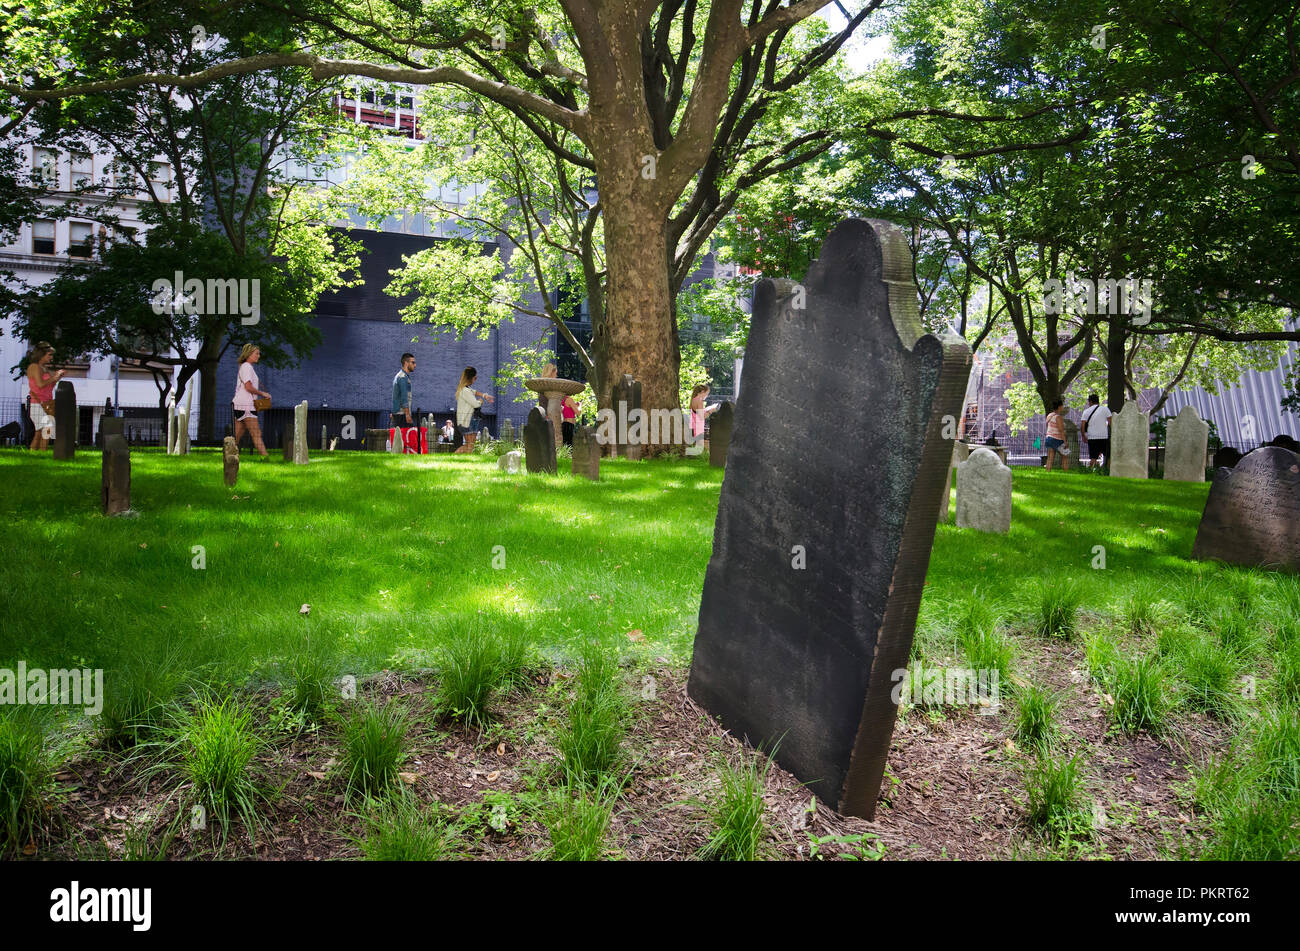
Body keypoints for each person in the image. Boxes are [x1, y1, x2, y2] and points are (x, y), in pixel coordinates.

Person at [25, 341, 65, 451]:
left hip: (47, 403)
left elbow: (48, 386)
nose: (51, 357)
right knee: (46, 428)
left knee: (41, 431)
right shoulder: (34, 367)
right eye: (49, 355)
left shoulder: (44, 368)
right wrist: (54, 377)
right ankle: (41, 452)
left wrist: (57, 377)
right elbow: (40, 384)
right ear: (41, 355)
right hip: (37, 403)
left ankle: (36, 453)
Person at [232, 343, 270, 457]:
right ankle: (266, 458)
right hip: (247, 405)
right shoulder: (247, 367)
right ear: (249, 354)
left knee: (237, 435)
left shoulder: (244, 367)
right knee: (256, 434)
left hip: (239, 404)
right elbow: (248, 387)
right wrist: (262, 393)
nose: (259, 356)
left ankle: (227, 456)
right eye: (256, 353)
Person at [454, 366, 494, 453]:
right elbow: (476, 405)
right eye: (475, 378)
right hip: (468, 421)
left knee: (470, 444)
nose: (475, 380)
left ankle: (455, 458)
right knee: (470, 444)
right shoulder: (465, 390)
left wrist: (484, 396)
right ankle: (453, 457)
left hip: (469, 420)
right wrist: (480, 401)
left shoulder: (466, 389)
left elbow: (475, 392)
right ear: (470, 378)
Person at [1081, 393, 1112, 469]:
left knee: (1093, 457)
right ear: (1098, 401)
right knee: (1108, 456)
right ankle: (1107, 471)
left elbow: (1082, 426)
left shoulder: (1086, 411)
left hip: (1092, 437)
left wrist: (1084, 436)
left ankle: (1090, 471)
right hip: (1104, 436)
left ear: (1090, 401)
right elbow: (1111, 422)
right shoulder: (1105, 409)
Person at [689, 383, 721, 452]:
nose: (707, 396)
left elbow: (697, 413)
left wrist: (706, 409)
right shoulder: (699, 401)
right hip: (698, 427)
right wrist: (711, 411)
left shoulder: (693, 400)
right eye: (707, 394)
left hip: (693, 425)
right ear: (702, 392)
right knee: (699, 447)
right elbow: (701, 417)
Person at [1044, 398, 1071, 471]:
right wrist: (1065, 442)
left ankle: (1047, 471)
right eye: (1062, 405)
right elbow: (1061, 431)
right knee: (1065, 456)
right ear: (1059, 407)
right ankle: (1066, 471)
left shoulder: (1050, 415)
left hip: (1049, 438)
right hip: (1057, 440)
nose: (1063, 407)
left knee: (1050, 457)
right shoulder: (1058, 417)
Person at [391, 352, 416, 428]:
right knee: (406, 438)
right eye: (413, 362)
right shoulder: (402, 377)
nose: (415, 365)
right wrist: (408, 415)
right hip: (402, 415)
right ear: (406, 363)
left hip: (399, 414)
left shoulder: (402, 376)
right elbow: (404, 398)